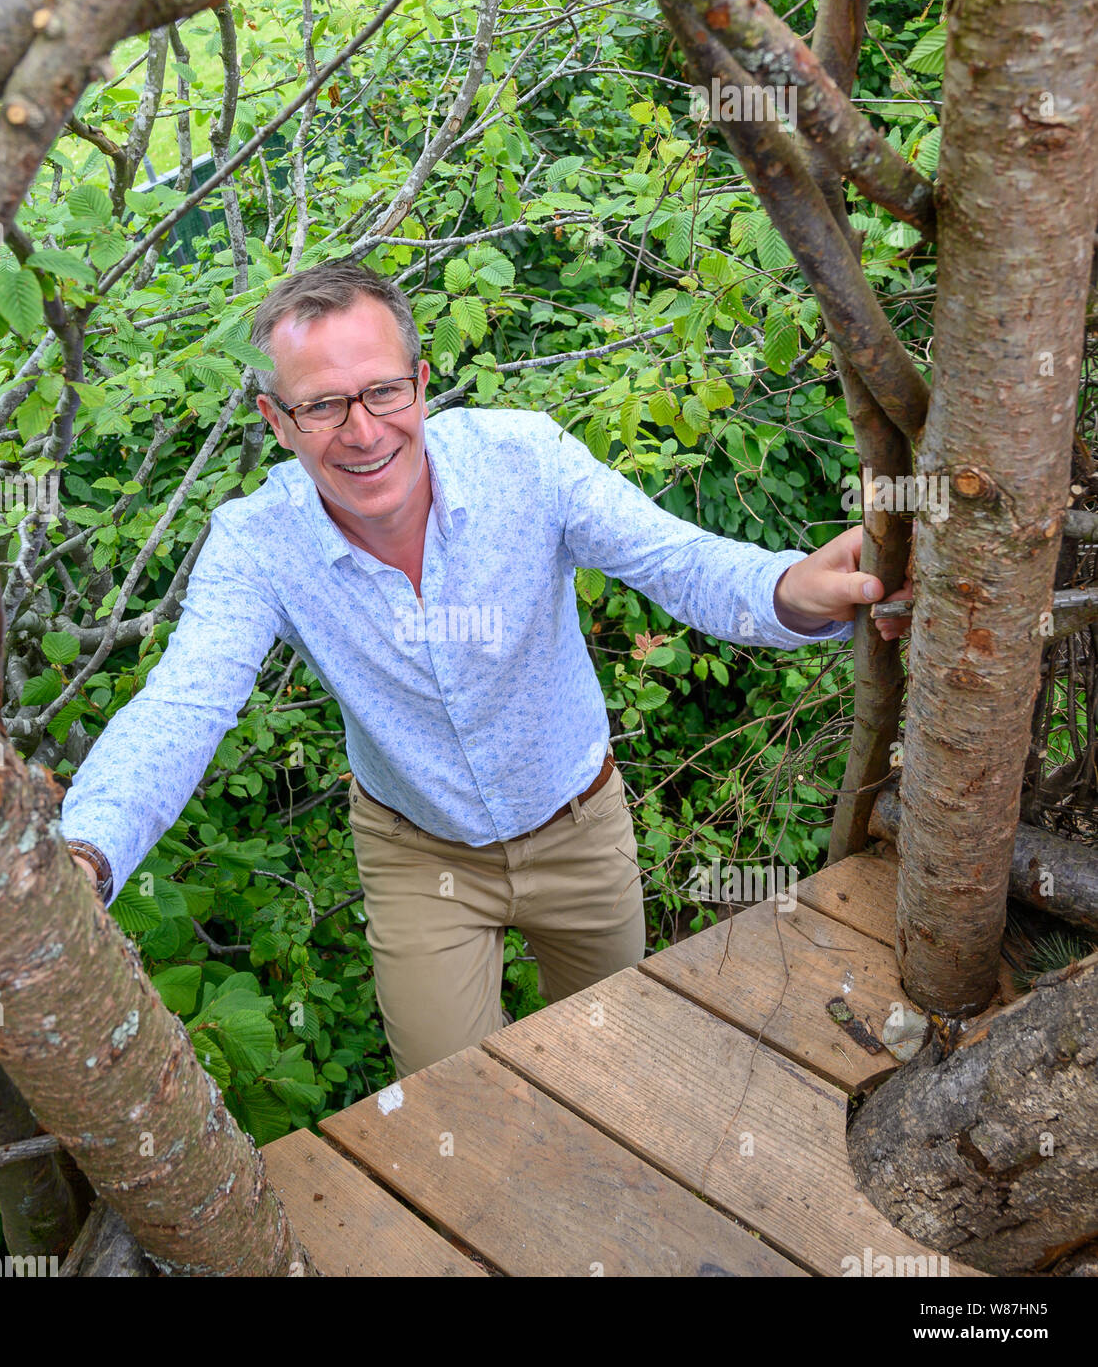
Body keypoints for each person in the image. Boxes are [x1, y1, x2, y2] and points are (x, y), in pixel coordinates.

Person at [61, 259, 911, 1079]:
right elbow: (182, 705)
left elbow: (677, 562)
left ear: (422, 384)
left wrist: (791, 589)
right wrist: (87, 855)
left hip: (580, 826)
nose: (362, 430)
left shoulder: (526, 460)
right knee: (450, 1095)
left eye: (383, 391)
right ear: (277, 421)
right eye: (321, 405)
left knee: (610, 1057)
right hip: (416, 854)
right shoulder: (255, 544)